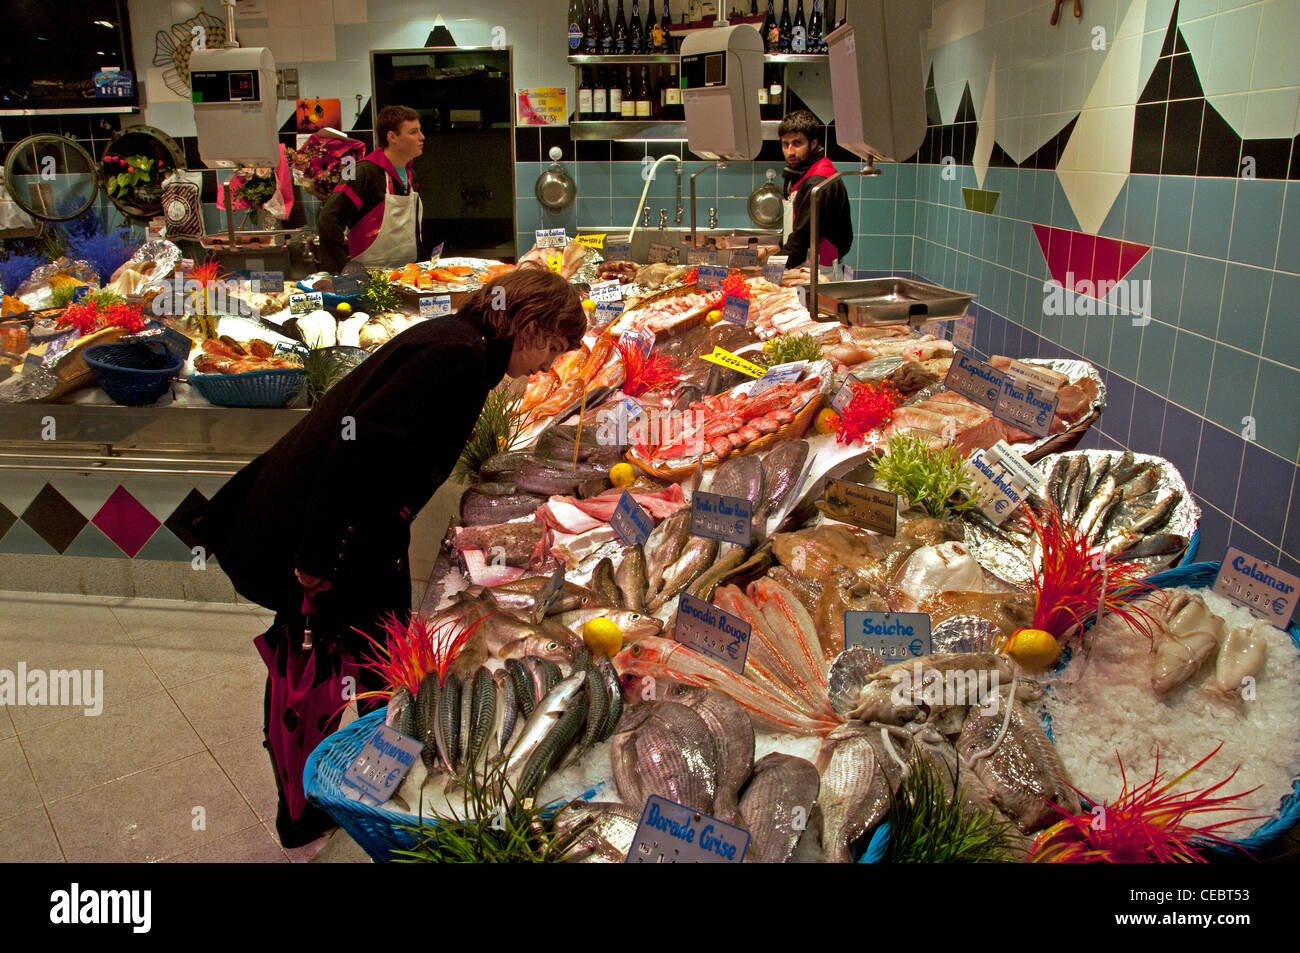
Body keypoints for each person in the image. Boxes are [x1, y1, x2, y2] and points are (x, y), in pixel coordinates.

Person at [185, 268, 586, 846]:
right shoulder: (458, 358)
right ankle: (329, 804)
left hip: (355, 533)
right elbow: (355, 452)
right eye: (552, 346)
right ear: (529, 322)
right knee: (363, 665)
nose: (549, 365)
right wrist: (319, 556)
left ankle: (379, 785)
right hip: (325, 533)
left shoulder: (457, 340)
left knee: (381, 660)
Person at [316, 104, 427, 272]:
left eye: (420, 131)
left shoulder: (411, 174)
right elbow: (328, 220)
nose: (422, 137)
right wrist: (340, 272)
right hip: (367, 278)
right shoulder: (358, 171)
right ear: (392, 137)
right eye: (413, 132)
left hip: (406, 275)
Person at [777, 109, 853, 269]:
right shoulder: (801, 173)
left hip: (818, 270)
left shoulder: (817, 182)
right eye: (785, 144)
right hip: (805, 265)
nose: (790, 151)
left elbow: (799, 243)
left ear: (813, 143)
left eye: (797, 143)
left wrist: (766, 273)